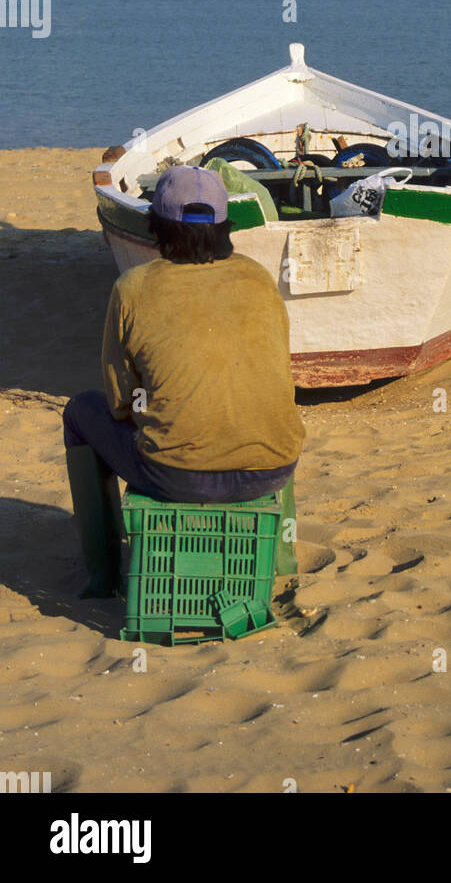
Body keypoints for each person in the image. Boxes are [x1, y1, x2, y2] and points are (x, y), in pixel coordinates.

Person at [62, 165, 305, 597]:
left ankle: (103, 574)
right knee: (265, 411)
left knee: (81, 412)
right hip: (273, 468)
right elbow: (278, 375)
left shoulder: (133, 287)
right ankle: (283, 557)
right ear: (224, 228)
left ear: (155, 226)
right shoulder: (258, 276)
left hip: (176, 476)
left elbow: (120, 401)